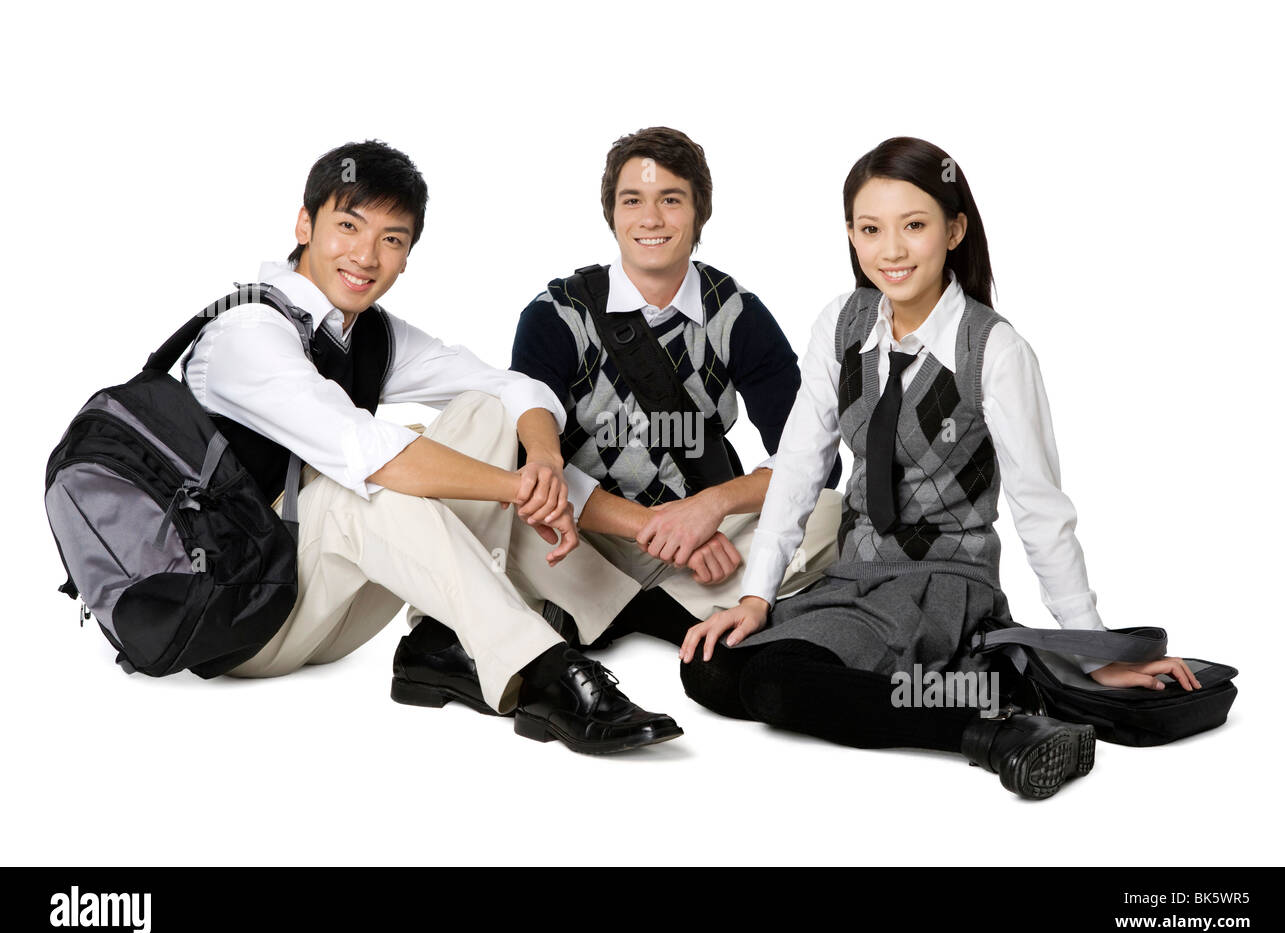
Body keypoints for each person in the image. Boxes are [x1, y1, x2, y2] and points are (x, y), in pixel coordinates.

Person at [678, 136, 1201, 798]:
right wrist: (756, 598)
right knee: (710, 668)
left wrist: (1091, 649)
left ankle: (996, 732)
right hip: (853, 578)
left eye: (914, 226)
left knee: (778, 685)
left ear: (954, 229)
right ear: (850, 235)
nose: (891, 251)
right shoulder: (840, 325)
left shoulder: (996, 351)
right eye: (871, 229)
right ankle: (992, 679)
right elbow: (799, 467)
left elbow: (1040, 511)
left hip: (944, 584)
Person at [183, 139, 683, 755]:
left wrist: (546, 464)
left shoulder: (366, 335)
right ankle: (541, 664)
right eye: (347, 225)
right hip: (242, 618)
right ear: (304, 224)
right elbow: (375, 454)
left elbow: (512, 387)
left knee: (485, 414)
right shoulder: (246, 334)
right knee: (365, 485)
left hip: (324, 604)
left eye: (392, 239)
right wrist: (517, 487)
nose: (366, 255)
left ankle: (444, 641)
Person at [506, 126, 844, 648]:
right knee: (504, 499)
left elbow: (817, 460)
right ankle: (674, 608)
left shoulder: (737, 314)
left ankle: (612, 611)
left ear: (698, 213)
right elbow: (532, 461)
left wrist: (707, 510)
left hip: (706, 535)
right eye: (633, 200)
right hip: (588, 534)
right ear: (612, 214)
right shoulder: (556, 314)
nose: (651, 219)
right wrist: (657, 529)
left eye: (671, 199)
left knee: (831, 513)